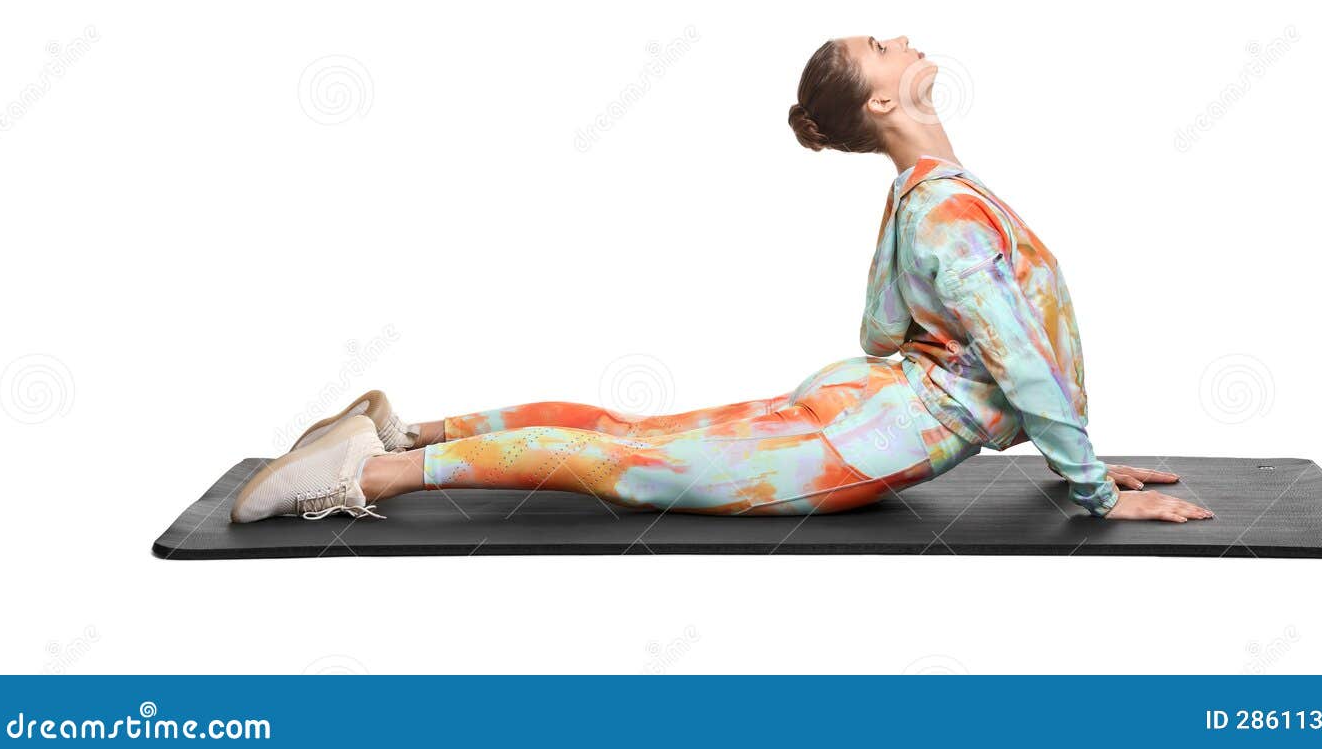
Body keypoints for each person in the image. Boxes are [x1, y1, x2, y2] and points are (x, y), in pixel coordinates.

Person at [230, 35, 1214, 525]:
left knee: (633, 439)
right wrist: (1089, 486)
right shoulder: (951, 205)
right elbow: (1016, 357)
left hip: (865, 401)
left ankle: (405, 430)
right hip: (875, 429)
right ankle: (372, 470)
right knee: (637, 463)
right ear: (881, 96)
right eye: (883, 41)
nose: (902, 34)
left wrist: (1067, 449)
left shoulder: (924, 197)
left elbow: (884, 331)